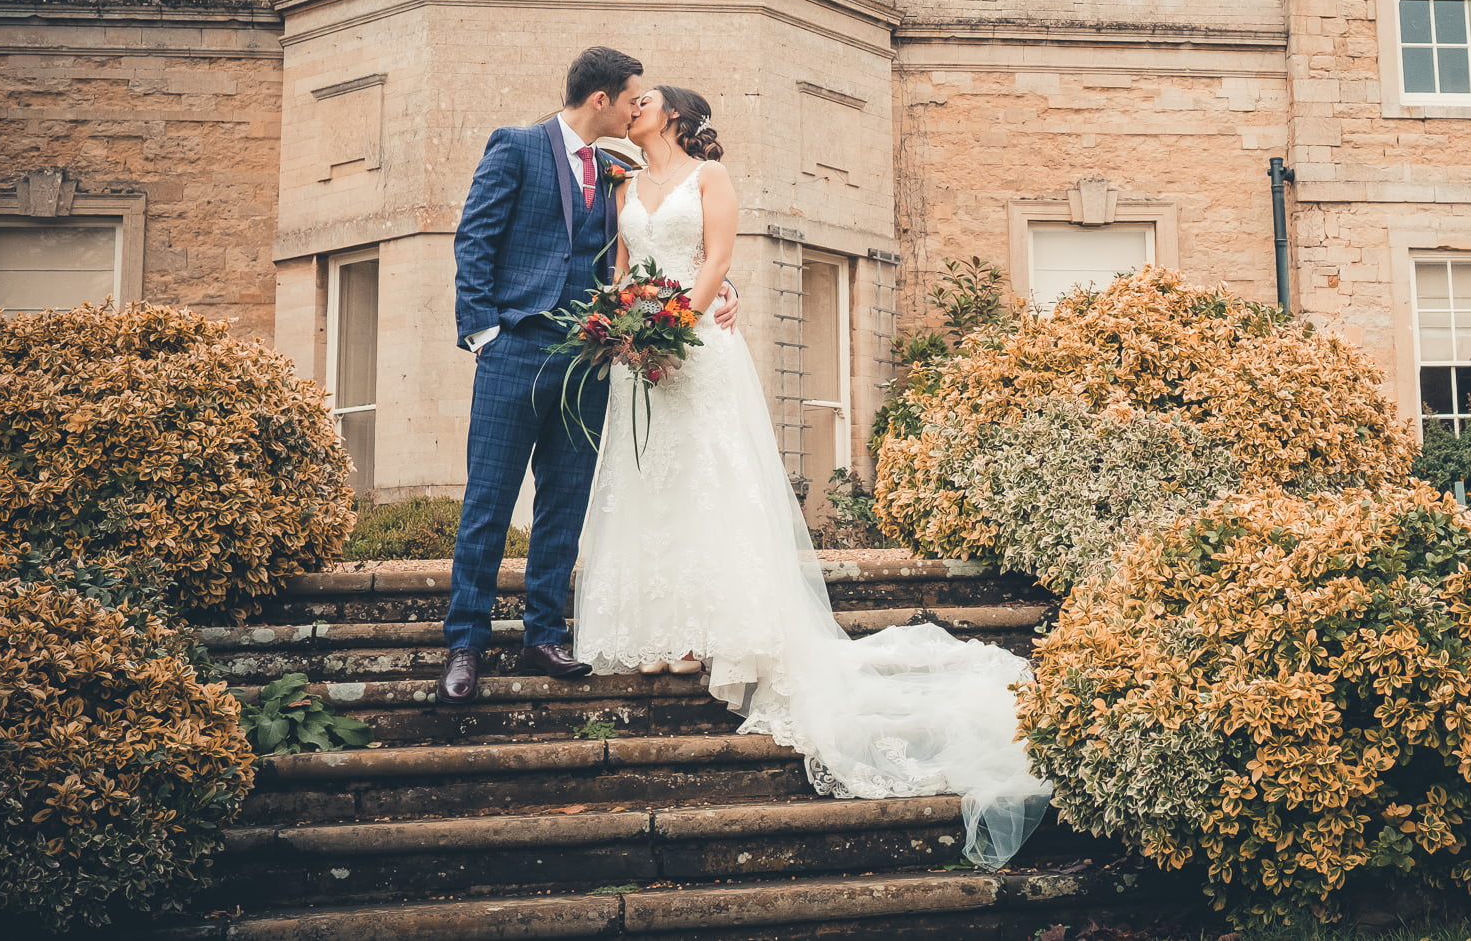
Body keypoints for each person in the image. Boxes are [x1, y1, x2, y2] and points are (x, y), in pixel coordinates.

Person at [573, 84, 1051, 868]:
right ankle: (659, 630)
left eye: (649, 98)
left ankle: (713, 633)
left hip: (694, 351)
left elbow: (718, 260)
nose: (636, 104)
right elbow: (622, 265)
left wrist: (673, 329)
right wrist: (626, 328)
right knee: (650, 485)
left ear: (680, 116)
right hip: (639, 358)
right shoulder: (626, 182)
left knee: (710, 486)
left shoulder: (709, 179)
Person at [441, 47, 740, 704]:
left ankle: (543, 631)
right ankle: (465, 641)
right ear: (601, 100)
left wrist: (723, 288)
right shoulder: (516, 146)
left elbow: (664, 243)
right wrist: (484, 332)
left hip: (592, 361)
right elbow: (475, 240)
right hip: (514, 350)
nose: (639, 109)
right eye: (633, 99)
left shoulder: (619, 170)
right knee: (488, 501)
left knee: (564, 503)